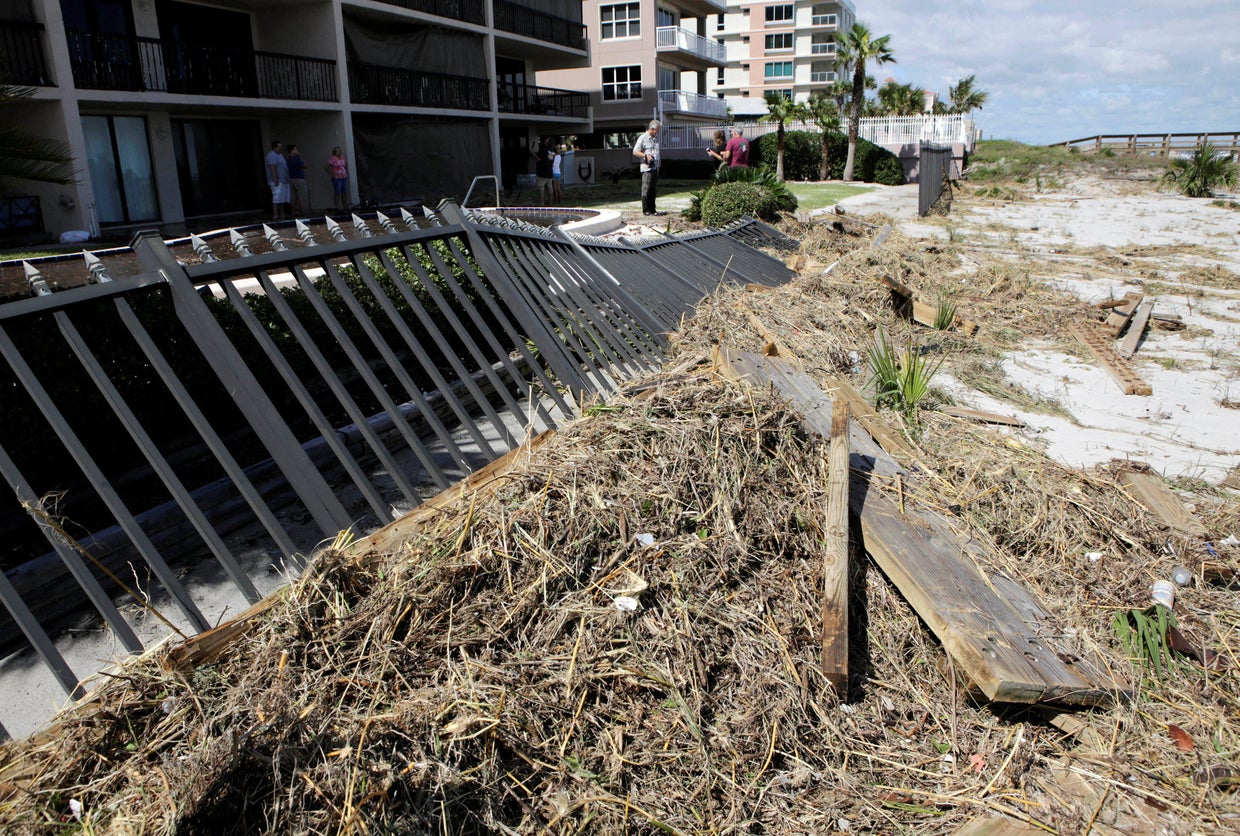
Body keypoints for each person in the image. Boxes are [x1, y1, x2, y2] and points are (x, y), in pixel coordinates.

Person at [632, 120, 661, 216]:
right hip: (646, 168)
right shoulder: (643, 138)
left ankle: (653, 209)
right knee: (646, 189)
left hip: (655, 167)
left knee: (653, 189)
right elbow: (635, 151)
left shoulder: (656, 138)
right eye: (657, 130)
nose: (658, 132)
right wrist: (646, 156)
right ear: (652, 129)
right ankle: (646, 209)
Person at [265, 139, 290, 220]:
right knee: (276, 198)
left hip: (283, 181)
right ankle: (275, 216)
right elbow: (272, 167)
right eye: (280, 146)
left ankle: (282, 215)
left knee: (281, 199)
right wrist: (275, 179)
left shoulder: (280, 155)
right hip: (277, 181)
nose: (281, 148)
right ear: (275, 147)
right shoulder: (272, 155)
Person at [286, 143, 308, 215]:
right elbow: (305, 165)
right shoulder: (297, 158)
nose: (297, 150)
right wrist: (300, 157)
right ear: (292, 150)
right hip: (299, 179)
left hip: (291, 179)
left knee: (293, 197)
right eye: (295, 149)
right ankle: (303, 212)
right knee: (302, 196)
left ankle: (293, 213)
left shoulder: (288, 159)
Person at [531, 137, 554, 205]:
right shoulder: (552, 151)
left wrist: (532, 153)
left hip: (542, 172)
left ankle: (541, 202)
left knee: (541, 188)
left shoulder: (543, 150)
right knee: (550, 187)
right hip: (549, 172)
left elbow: (538, 159)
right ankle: (550, 201)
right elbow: (547, 159)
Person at [326, 146, 349, 213]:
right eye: (337, 151)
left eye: (340, 150)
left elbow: (345, 165)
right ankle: (337, 207)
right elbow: (326, 166)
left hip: (343, 177)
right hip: (337, 178)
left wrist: (343, 171)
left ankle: (345, 207)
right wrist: (331, 174)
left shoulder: (342, 158)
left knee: (344, 192)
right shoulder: (333, 159)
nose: (339, 152)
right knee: (338, 192)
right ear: (335, 152)